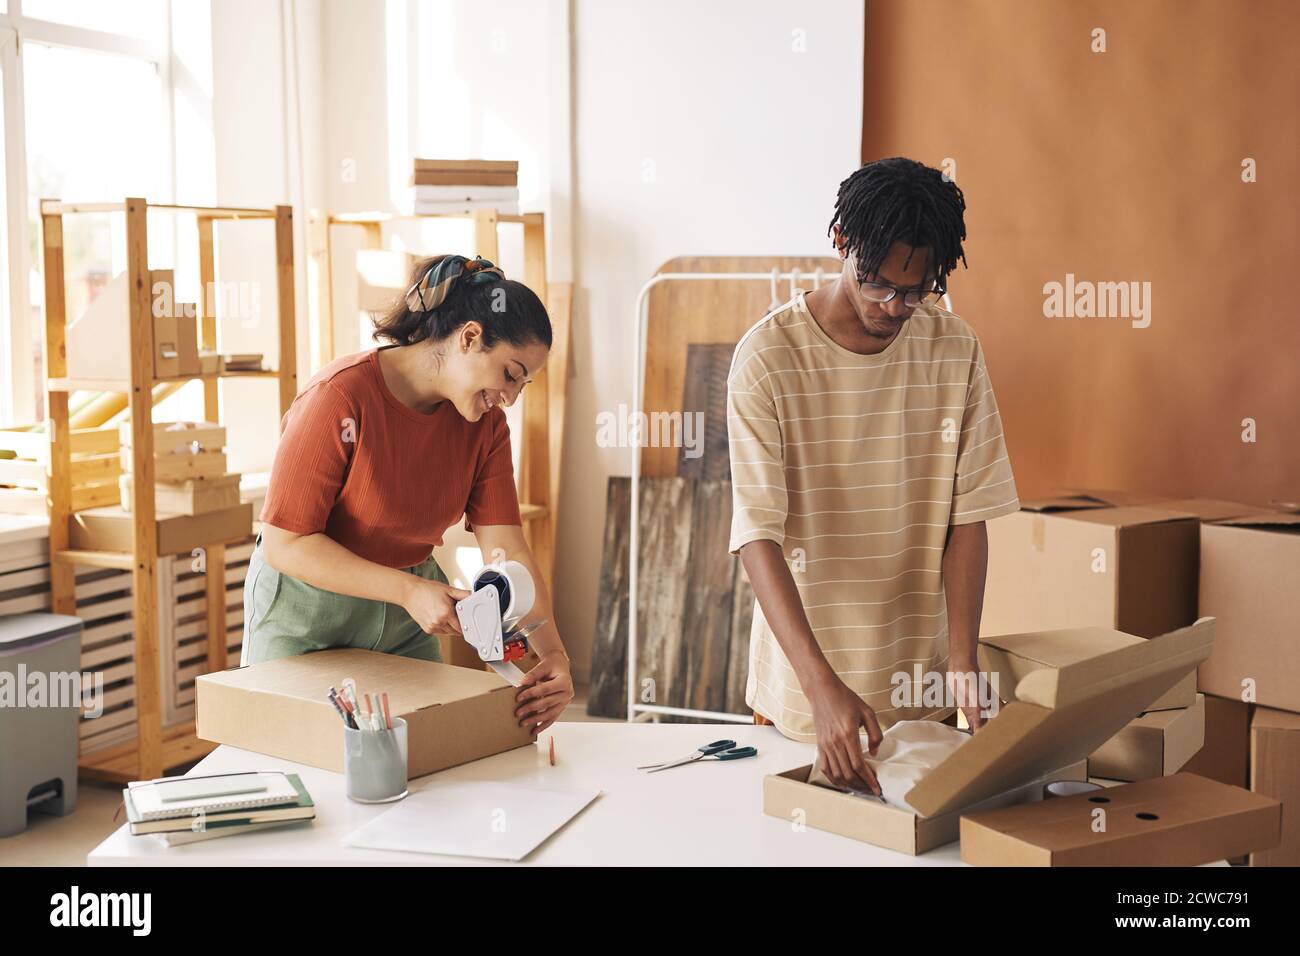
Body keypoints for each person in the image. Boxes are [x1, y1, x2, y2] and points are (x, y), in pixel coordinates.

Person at [727, 157, 1019, 793]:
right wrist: (820, 686)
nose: (893, 306)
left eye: (914, 292)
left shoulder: (956, 349)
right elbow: (757, 536)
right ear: (841, 242)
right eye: (877, 283)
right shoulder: (767, 360)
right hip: (806, 700)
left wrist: (964, 662)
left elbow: (967, 515)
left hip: (924, 692)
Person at [243, 254, 574, 738]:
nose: (511, 397)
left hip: (406, 617)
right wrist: (408, 591)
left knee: (419, 757)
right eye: (510, 373)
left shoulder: (486, 429)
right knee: (300, 759)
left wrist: (554, 656)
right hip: (307, 610)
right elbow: (286, 544)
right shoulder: (338, 398)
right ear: (469, 338)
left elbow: (508, 554)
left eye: (523, 384)